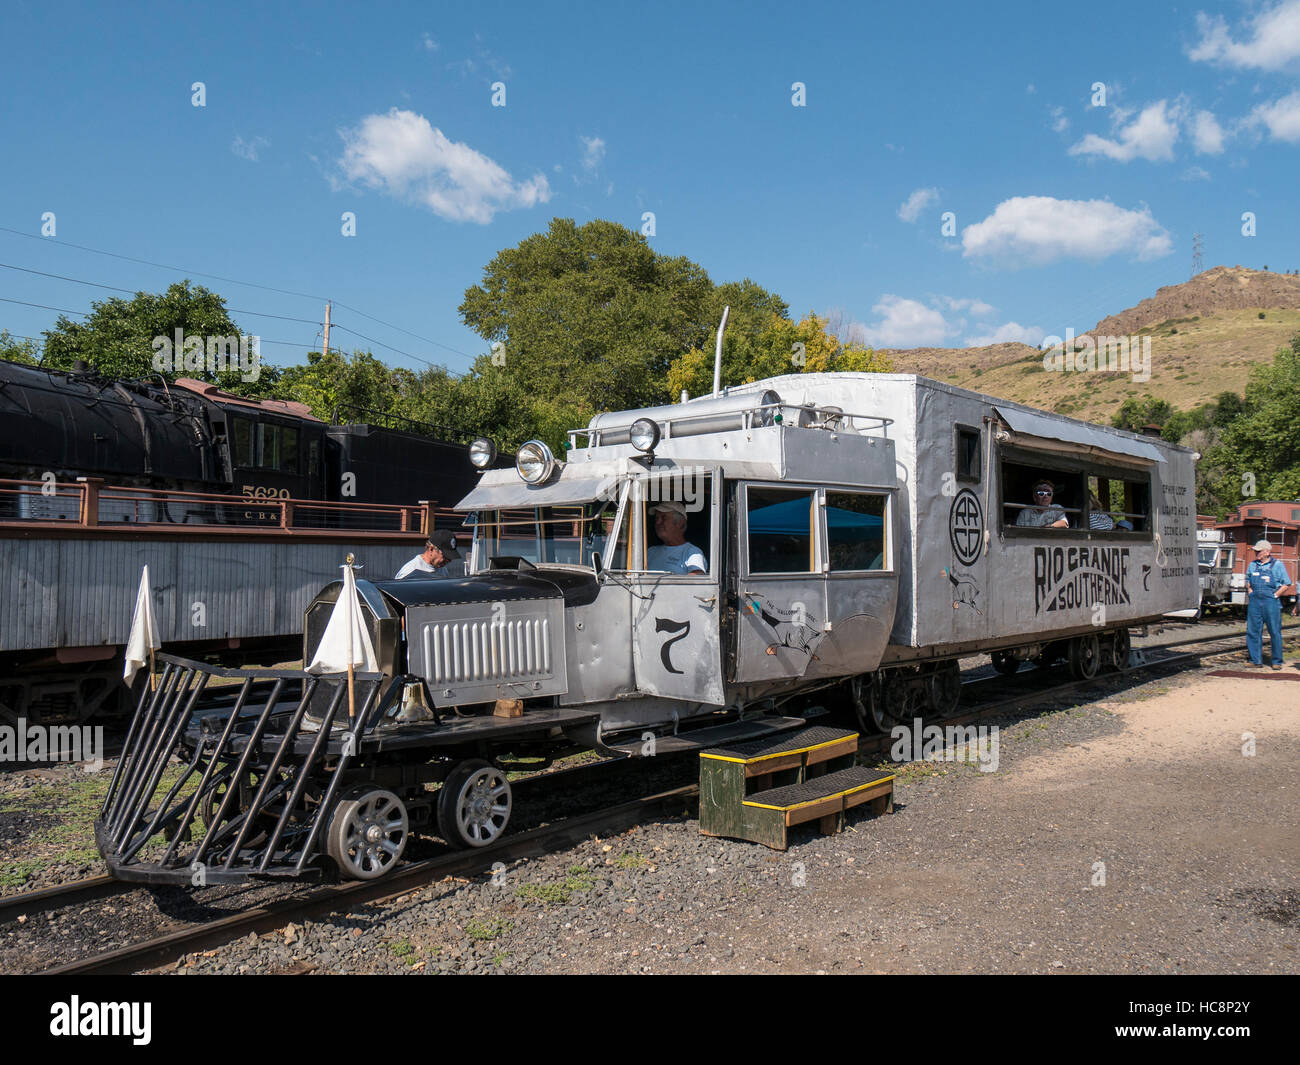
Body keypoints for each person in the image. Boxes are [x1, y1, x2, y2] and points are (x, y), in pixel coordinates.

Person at [1245, 539, 1291, 670]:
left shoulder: (1278, 565)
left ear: (1267, 552)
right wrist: (1250, 592)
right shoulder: (1252, 565)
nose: (1256, 553)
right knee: (1253, 631)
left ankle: (1276, 661)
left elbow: (1286, 583)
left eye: (1259, 551)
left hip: (1271, 602)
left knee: (1274, 631)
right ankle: (1255, 660)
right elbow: (1248, 580)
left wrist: (1275, 595)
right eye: (1256, 551)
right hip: (1255, 602)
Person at [645, 501, 707, 574]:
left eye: (664, 518)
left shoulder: (691, 552)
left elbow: (697, 576)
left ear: (680, 523)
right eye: (656, 519)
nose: (657, 522)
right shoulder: (651, 552)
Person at [395, 530, 464, 580]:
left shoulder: (442, 569)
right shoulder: (410, 571)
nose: (448, 560)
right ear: (431, 549)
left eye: (450, 557)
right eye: (445, 556)